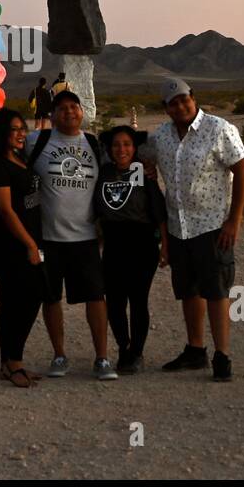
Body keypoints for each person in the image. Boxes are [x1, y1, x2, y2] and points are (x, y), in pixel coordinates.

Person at [144, 77, 244, 381]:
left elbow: (242, 170)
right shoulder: (161, 136)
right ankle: (195, 349)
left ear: (193, 98)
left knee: (216, 290)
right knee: (189, 290)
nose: (180, 106)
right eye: (173, 103)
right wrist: (147, 167)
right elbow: (140, 157)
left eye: (184, 99)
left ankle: (222, 355)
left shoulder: (219, 129)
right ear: (166, 109)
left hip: (213, 225)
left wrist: (234, 220)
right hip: (179, 227)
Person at [25, 90, 117, 380]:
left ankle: (102, 358)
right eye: (61, 108)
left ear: (82, 111)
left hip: (86, 237)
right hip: (48, 238)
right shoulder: (36, 141)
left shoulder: (94, 144)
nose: (69, 112)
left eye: (73, 107)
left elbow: (117, 171)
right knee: (51, 298)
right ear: (52, 115)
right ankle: (59, 355)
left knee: (96, 296)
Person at [0, 108, 45, 388]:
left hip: (29, 238)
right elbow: (4, 210)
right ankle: (13, 362)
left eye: (22, 129)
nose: (20, 134)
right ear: (0, 132)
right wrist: (29, 244)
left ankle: (9, 361)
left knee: (22, 299)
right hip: (9, 243)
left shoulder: (18, 158)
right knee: (23, 299)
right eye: (14, 129)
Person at [97, 125, 167, 373]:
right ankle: (123, 347)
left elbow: (158, 209)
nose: (121, 149)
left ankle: (137, 352)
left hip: (142, 242)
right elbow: (95, 208)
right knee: (114, 301)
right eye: (116, 145)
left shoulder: (142, 172)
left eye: (127, 144)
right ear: (109, 149)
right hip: (114, 243)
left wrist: (164, 246)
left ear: (135, 148)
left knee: (138, 300)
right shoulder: (103, 173)